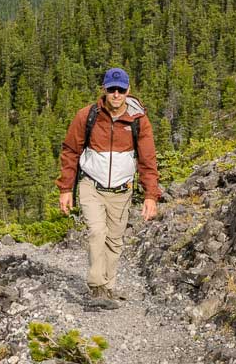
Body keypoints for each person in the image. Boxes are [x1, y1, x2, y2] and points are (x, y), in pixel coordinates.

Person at [56, 66, 161, 307]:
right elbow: (71, 151)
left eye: (120, 89)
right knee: (96, 232)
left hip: (122, 190)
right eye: (111, 89)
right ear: (104, 89)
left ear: (128, 90)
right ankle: (96, 288)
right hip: (91, 185)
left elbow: (147, 160)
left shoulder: (139, 120)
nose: (116, 94)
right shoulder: (87, 116)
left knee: (114, 240)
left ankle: (109, 287)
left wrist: (151, 196)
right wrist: (65, 189)